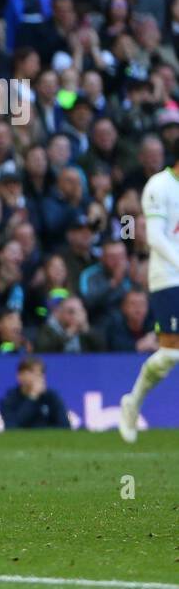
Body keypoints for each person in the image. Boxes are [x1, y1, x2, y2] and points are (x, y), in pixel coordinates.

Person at [120, 149, 179, 442]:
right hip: (169, 278)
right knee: (170, 354)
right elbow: (155, 238)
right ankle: (133, 402)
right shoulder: (159, 187)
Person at [0, 355, 70, 429]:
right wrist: (32, 397)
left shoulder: (51, 397)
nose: (37, 377)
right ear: (20, 376)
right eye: (32, 373)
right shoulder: (10, 399)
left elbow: (65, 426)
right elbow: (12, 427)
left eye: (40, 374)